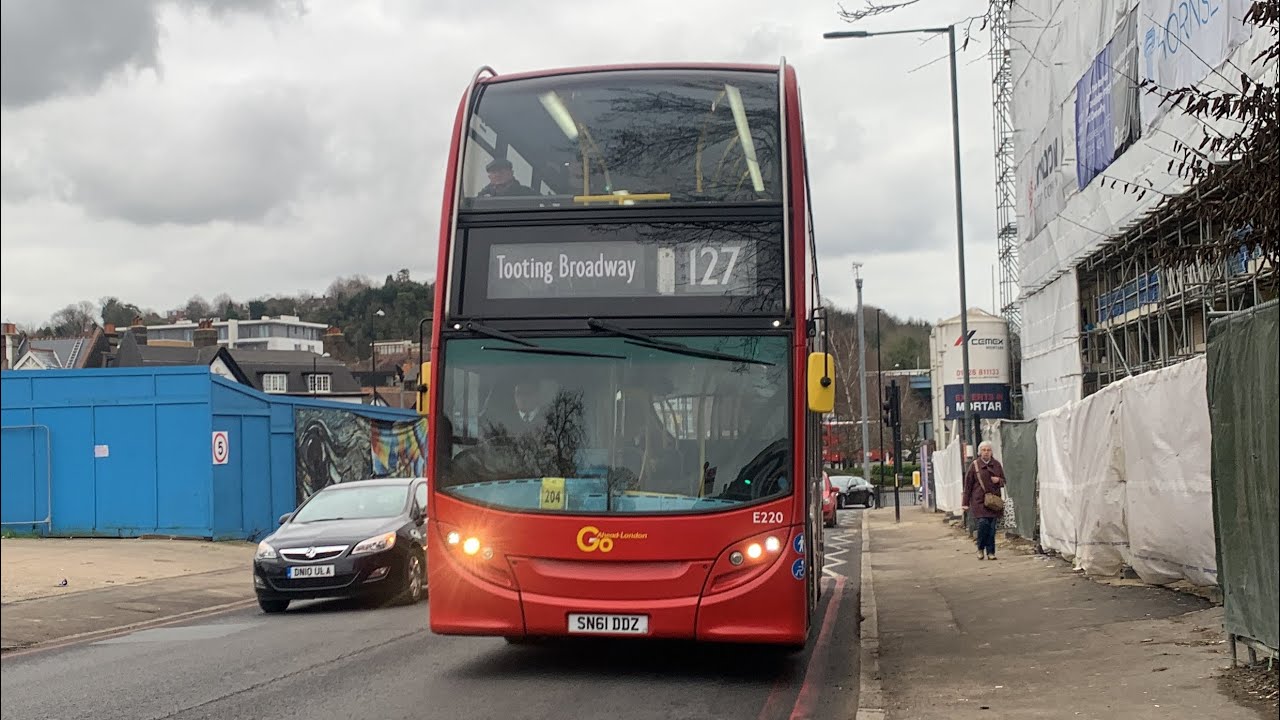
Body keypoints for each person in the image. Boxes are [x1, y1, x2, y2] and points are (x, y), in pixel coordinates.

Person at [962, 440, 1006, 560]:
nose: (986, 452)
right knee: (983, 524)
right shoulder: (974, 465)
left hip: (993, 502)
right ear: (979, 452)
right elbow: (968, 485)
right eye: (983, 450)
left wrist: (999, 480)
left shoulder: (996, 465)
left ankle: (991, 552)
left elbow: (1004, 480)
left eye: (988, 450)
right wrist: (965, 503)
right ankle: (980, 549)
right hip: (979, 501)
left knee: (992, 528)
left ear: (991, 452)